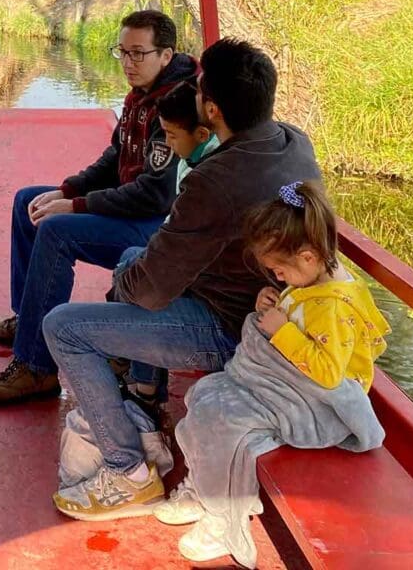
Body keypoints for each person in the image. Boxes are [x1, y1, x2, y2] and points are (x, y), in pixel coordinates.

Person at [43, 37, 321, 522]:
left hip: (232, 331)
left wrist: (123, 284)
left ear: (210, 110)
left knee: (65, 325)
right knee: (134, 255)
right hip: (264, 304)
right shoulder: (293, 142)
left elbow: (151, 289)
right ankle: (144, 404)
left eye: (196, 88)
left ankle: (126, 471)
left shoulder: (213, 180)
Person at [155, 180, 389, 565]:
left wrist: (281, 330)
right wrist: (274, 301)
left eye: (279, 271)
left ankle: (222, 516)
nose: (277, 276)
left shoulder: (333, 307)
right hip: (289, 382)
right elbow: (299, 310)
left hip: (321, 406)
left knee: (224, 420)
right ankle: (204, 485)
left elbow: (328, 374)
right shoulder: (314, 280)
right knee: (204, 394)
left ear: (309, 257)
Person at [0, 10, 198, 406]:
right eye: (122, 52)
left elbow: (154, 196)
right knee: (30, 200)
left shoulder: (176, 105)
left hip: (158, 226)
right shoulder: (140, 93)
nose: (128, 63)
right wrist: (67, 189)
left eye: (138, 54)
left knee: (57, 230)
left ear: (166, 55)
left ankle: (37, 368)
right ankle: (29, 321)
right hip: (131, 208)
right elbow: (116, 155)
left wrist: (76, 206)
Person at [156, 81, 219, 198]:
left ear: (201, 135)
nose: (167, 143)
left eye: (172, 136)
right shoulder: (190, 157)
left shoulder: (210, 177)